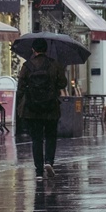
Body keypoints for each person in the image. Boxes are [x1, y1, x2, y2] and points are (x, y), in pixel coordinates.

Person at [17, 38, 68, 179]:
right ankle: (49, 162)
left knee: (37, 139)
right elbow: (63, 83)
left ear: (33, 50)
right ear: (46, 50)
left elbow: (20, 87)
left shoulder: (27, 66)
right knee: (51, 136)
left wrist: (19, 106)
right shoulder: (54, 64)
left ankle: (39, 171)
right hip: (51, 108)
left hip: (32, 109)